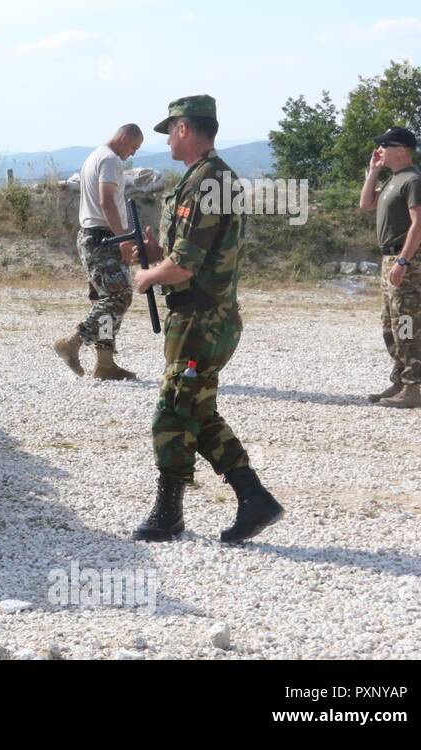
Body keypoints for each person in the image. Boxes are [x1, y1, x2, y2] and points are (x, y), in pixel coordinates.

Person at [124, 95, 283, 544]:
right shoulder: (203, 179)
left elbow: (184, 269)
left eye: (169, 130)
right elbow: (183, 257)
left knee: (173, 411)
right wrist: (155, 255)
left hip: (201, 320)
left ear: (183, 129)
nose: (167, 141)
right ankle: (255, 499)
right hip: (198, 316)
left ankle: (168, 512)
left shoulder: (209, 181)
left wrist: (146, 276)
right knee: (198, 409)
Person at [54, 124, 143, 380]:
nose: (133, 154)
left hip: (95, 238)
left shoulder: (96, 156)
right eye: (133, 147)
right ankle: (71, 343)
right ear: (123, 137)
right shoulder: (110, 160)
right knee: (116, 298)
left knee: (106, 301)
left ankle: (104, 363)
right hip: (103, 238)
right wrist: (122, 240)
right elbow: (106, 201)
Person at [359, 127, 421, 409]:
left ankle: (413, 388)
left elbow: (420, 223)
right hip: (390, 259)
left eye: (384, 146)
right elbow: (365, 204)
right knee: (390, 324)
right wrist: (373, 170)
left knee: (406, 324)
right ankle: (399, 381)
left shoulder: (413, 180)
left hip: (407, 260)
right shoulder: (393, 179)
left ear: (400, 150)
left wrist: (403, 261)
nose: (380, 150)